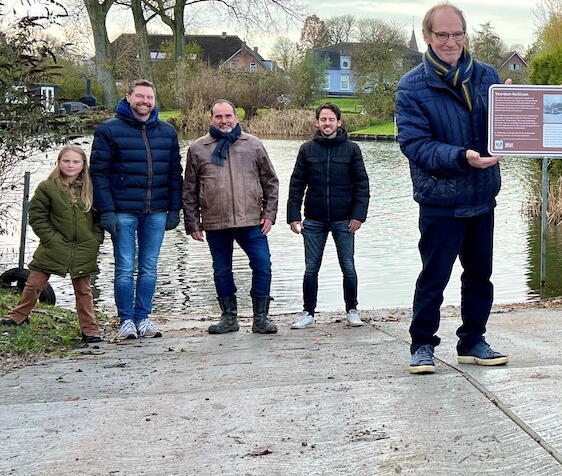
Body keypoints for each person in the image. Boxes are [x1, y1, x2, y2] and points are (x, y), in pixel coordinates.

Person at [395, 2, 506, 374]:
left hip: (482, 195)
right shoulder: (412, 86)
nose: (450, 41)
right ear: (427, 36)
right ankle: (422, 344)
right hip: (440, 200)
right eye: (441, 34)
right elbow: (414, 144)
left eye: (457, 33)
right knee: (434, 276)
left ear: (465, 34)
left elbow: (507, 127)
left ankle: (473, 341)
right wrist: (462, 156)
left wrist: (522, 115)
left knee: (480, 276)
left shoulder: (487, 75)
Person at [90, 79, 183, 340]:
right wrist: (105, 210)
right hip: (122, 211)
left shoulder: (166, 132)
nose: (145, 101)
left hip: (156, 211)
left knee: (150, 267)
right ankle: (126, 320)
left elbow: (175, 173)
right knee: (124, 267)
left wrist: (175, 208)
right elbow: (98, 173)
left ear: (154, 101)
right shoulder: (109, 130)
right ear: (128, 97)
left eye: (149, 97)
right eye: (140, 96)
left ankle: (143, 318)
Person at [183, 99, 280, 335]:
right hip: (216, 221)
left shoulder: (253, 145)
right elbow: (189, 190)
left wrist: (269, 214)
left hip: (251, 221)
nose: (224, 121)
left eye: (228, 116)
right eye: (218, 117)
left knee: (263, 266)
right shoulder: (198, 148)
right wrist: (193, 222)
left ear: (237, 118)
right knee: (222, 270)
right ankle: (229, 317)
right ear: (211, 120)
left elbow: (271, 182)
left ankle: (261, 318)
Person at [2, 145, 103, 345]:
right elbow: (37, 216)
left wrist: (95, 239)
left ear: (83, 165)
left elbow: (99, 218)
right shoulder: (47, 188)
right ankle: (18, 316)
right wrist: (50, 238)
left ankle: (90, 329)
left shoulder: (91, 188)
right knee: (35, 283)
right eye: (66, 161)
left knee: (84, 289)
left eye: (76, 161)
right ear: (59, 162)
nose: (71, 165)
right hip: (54, 245)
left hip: (84, 246)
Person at [287, 102, 370, 329]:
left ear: (339, 122)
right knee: (311, 267)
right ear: (317, 122)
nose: (327, 123)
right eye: (323, 119)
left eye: (331, 119)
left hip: (344, 219)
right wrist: (293, 216)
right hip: (313, 219)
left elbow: (362, 185)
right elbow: (297, 184)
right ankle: (308, 312)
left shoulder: (352, 150)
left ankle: (352, 310)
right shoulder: (306, 149)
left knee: (348, 266)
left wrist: (358, 216)